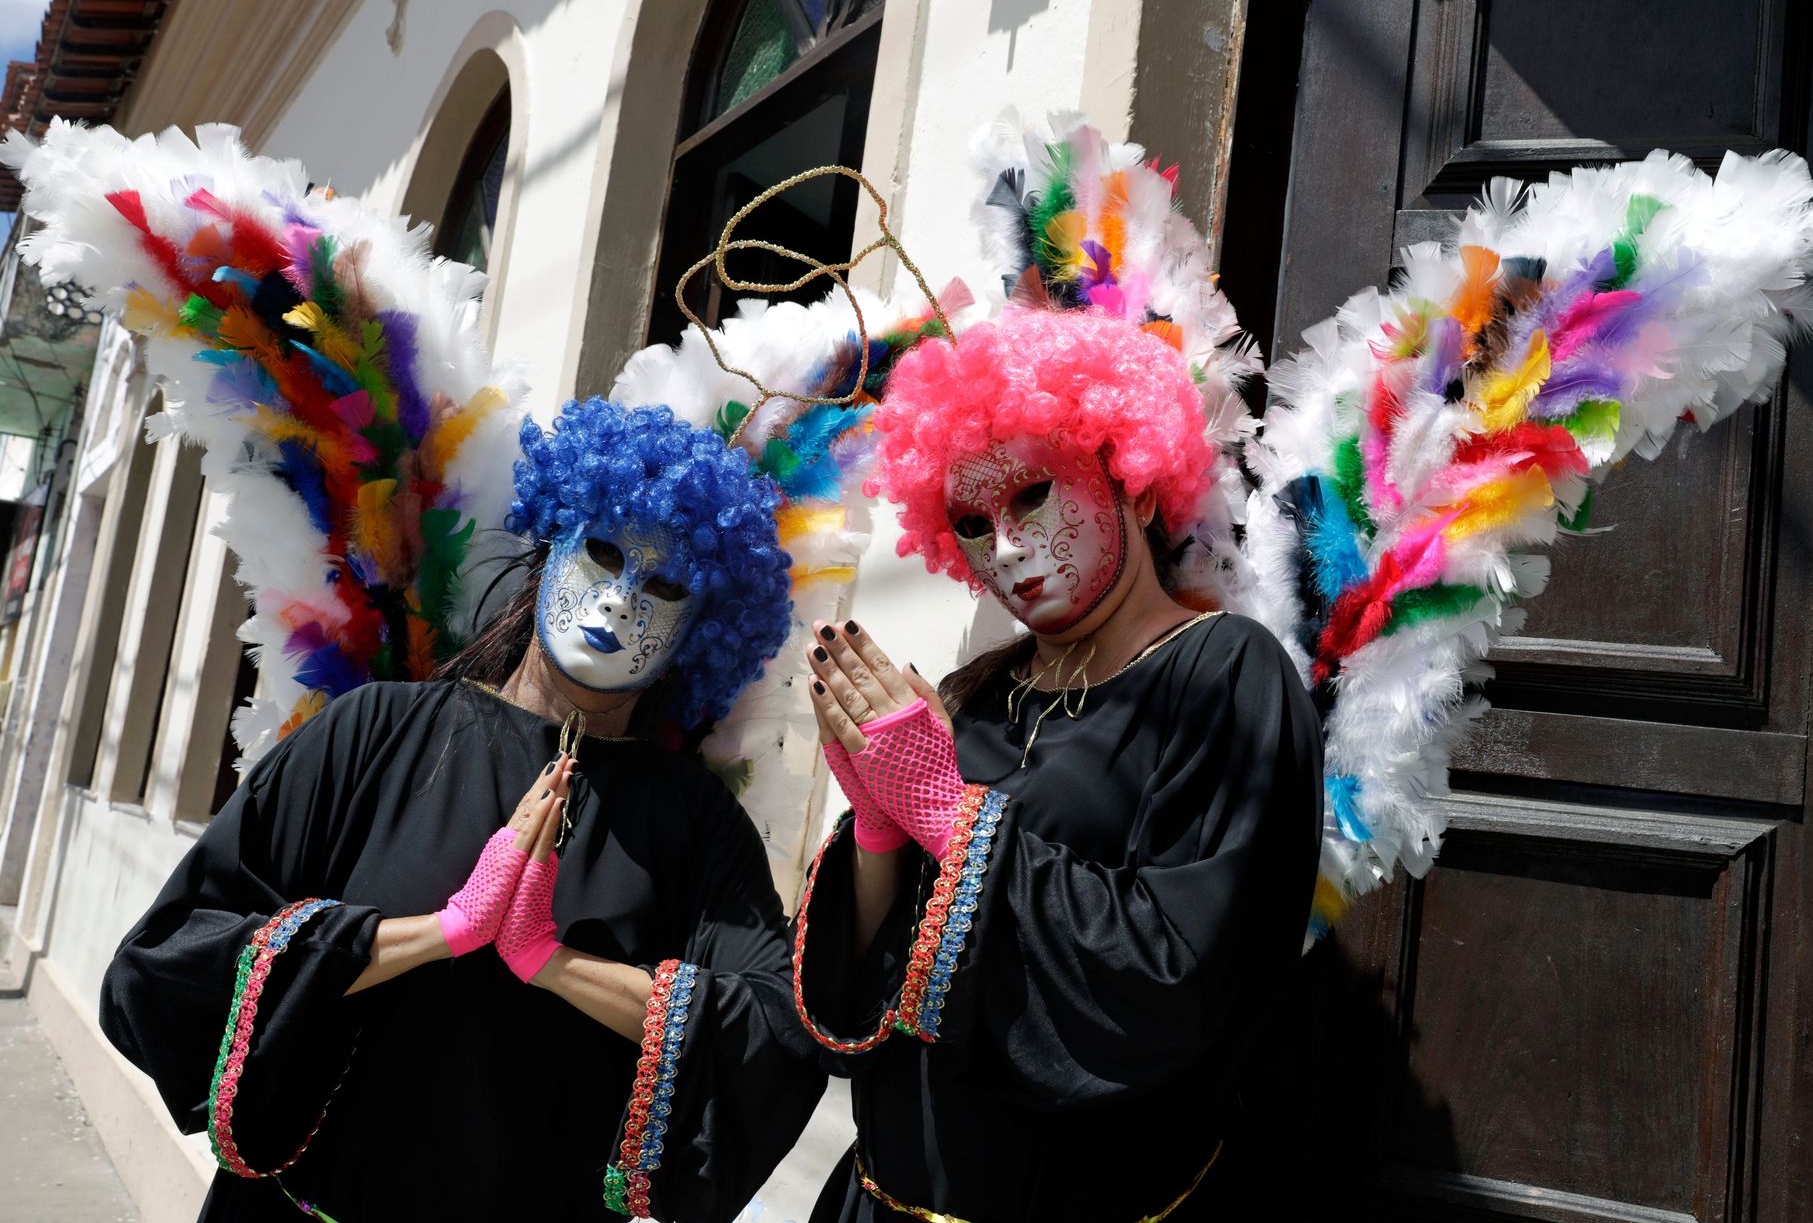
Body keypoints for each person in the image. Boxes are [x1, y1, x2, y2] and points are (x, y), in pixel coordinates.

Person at [100, 398, 824, 1221]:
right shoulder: (373, 731)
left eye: (663, 586)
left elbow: (773, 1041)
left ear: (703, 626)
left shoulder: (693, 825)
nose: (623, 601)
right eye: (603, 552)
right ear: (550, 546)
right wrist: (437, 934)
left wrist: (553, 963)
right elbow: (163, 963)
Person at [792, 307, 1325, 1220]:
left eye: (1034, 494)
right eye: (969, 520)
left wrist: (941, 810)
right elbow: (870, 987)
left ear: (1139, 485)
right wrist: (881, 829)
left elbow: (1175, 970)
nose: (1004, 546)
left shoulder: (1226, 675)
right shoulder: (977, 695)